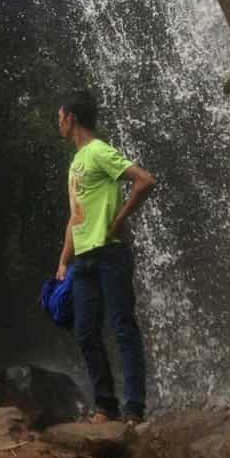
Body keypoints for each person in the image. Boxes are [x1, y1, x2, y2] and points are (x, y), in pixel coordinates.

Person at [54, 89, 156, 425]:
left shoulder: (99, 152)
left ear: (71, 118)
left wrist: (119, 219)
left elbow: (144, 181)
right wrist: (63, 261)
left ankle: (134, 409)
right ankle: (105, 406)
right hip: (83, 260)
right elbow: (75, 216)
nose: (58, 122)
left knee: (123, 327)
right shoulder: (77, 161)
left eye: (60, 116)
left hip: (110, 254)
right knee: (85, 331)